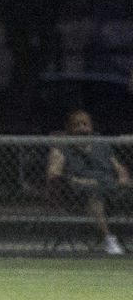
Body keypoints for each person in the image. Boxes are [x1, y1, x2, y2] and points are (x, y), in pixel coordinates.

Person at [46, 109, 132, 255]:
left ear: (91, 127)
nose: (82, 129)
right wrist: (76, 180)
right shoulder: (61, 148)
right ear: (70, 129)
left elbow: (119, 168)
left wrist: (123, 177)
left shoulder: (102, 145)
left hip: (109, 185)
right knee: (94, 194)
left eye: (85, 124)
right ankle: (108, 240)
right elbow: (53, 173)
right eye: (77, 125)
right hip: (80, 190)